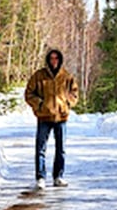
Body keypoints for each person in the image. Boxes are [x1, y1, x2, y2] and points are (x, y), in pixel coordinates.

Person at [24, 48, 78, 190]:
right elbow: (29, 93)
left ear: (60, 60)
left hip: (61, 117)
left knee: (61, 149)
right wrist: (39, 104)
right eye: (51, 58)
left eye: (56, 58)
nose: (54, 61)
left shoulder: (66, 76)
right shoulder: (39, 75)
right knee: (41, 148)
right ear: (48, 60)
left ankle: (58, 177)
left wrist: (67, 103)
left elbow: (75, 93)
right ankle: (40, 177)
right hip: (44, 117)